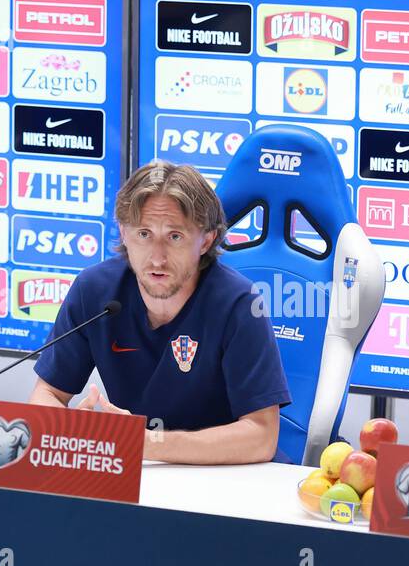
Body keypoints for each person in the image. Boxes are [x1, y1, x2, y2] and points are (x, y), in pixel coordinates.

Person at [29, 160, 290, 464]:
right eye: (143, 234)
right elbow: (46, 394)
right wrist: (71, 431)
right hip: (135, 474)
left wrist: (142, 443)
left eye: (174, 236)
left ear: (205, 240)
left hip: (224, 477)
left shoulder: (239, 303)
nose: (157, 257)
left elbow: (261, 436)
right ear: (124, 234)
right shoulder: (95, 290)